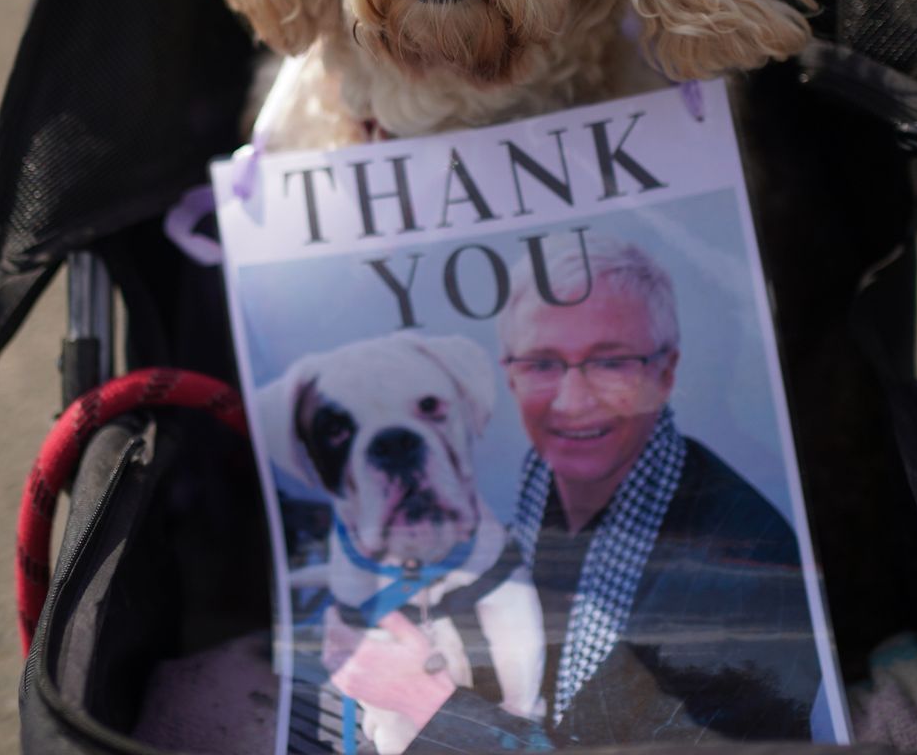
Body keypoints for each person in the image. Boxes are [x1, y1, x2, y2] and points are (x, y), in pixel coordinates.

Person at [322, 233, 824, 749]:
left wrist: (426, 703)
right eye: (542, 364)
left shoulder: (751, 575)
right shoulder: (536, 491)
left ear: (666, 372)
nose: (572, 400)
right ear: (509, 379)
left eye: (611, 362)